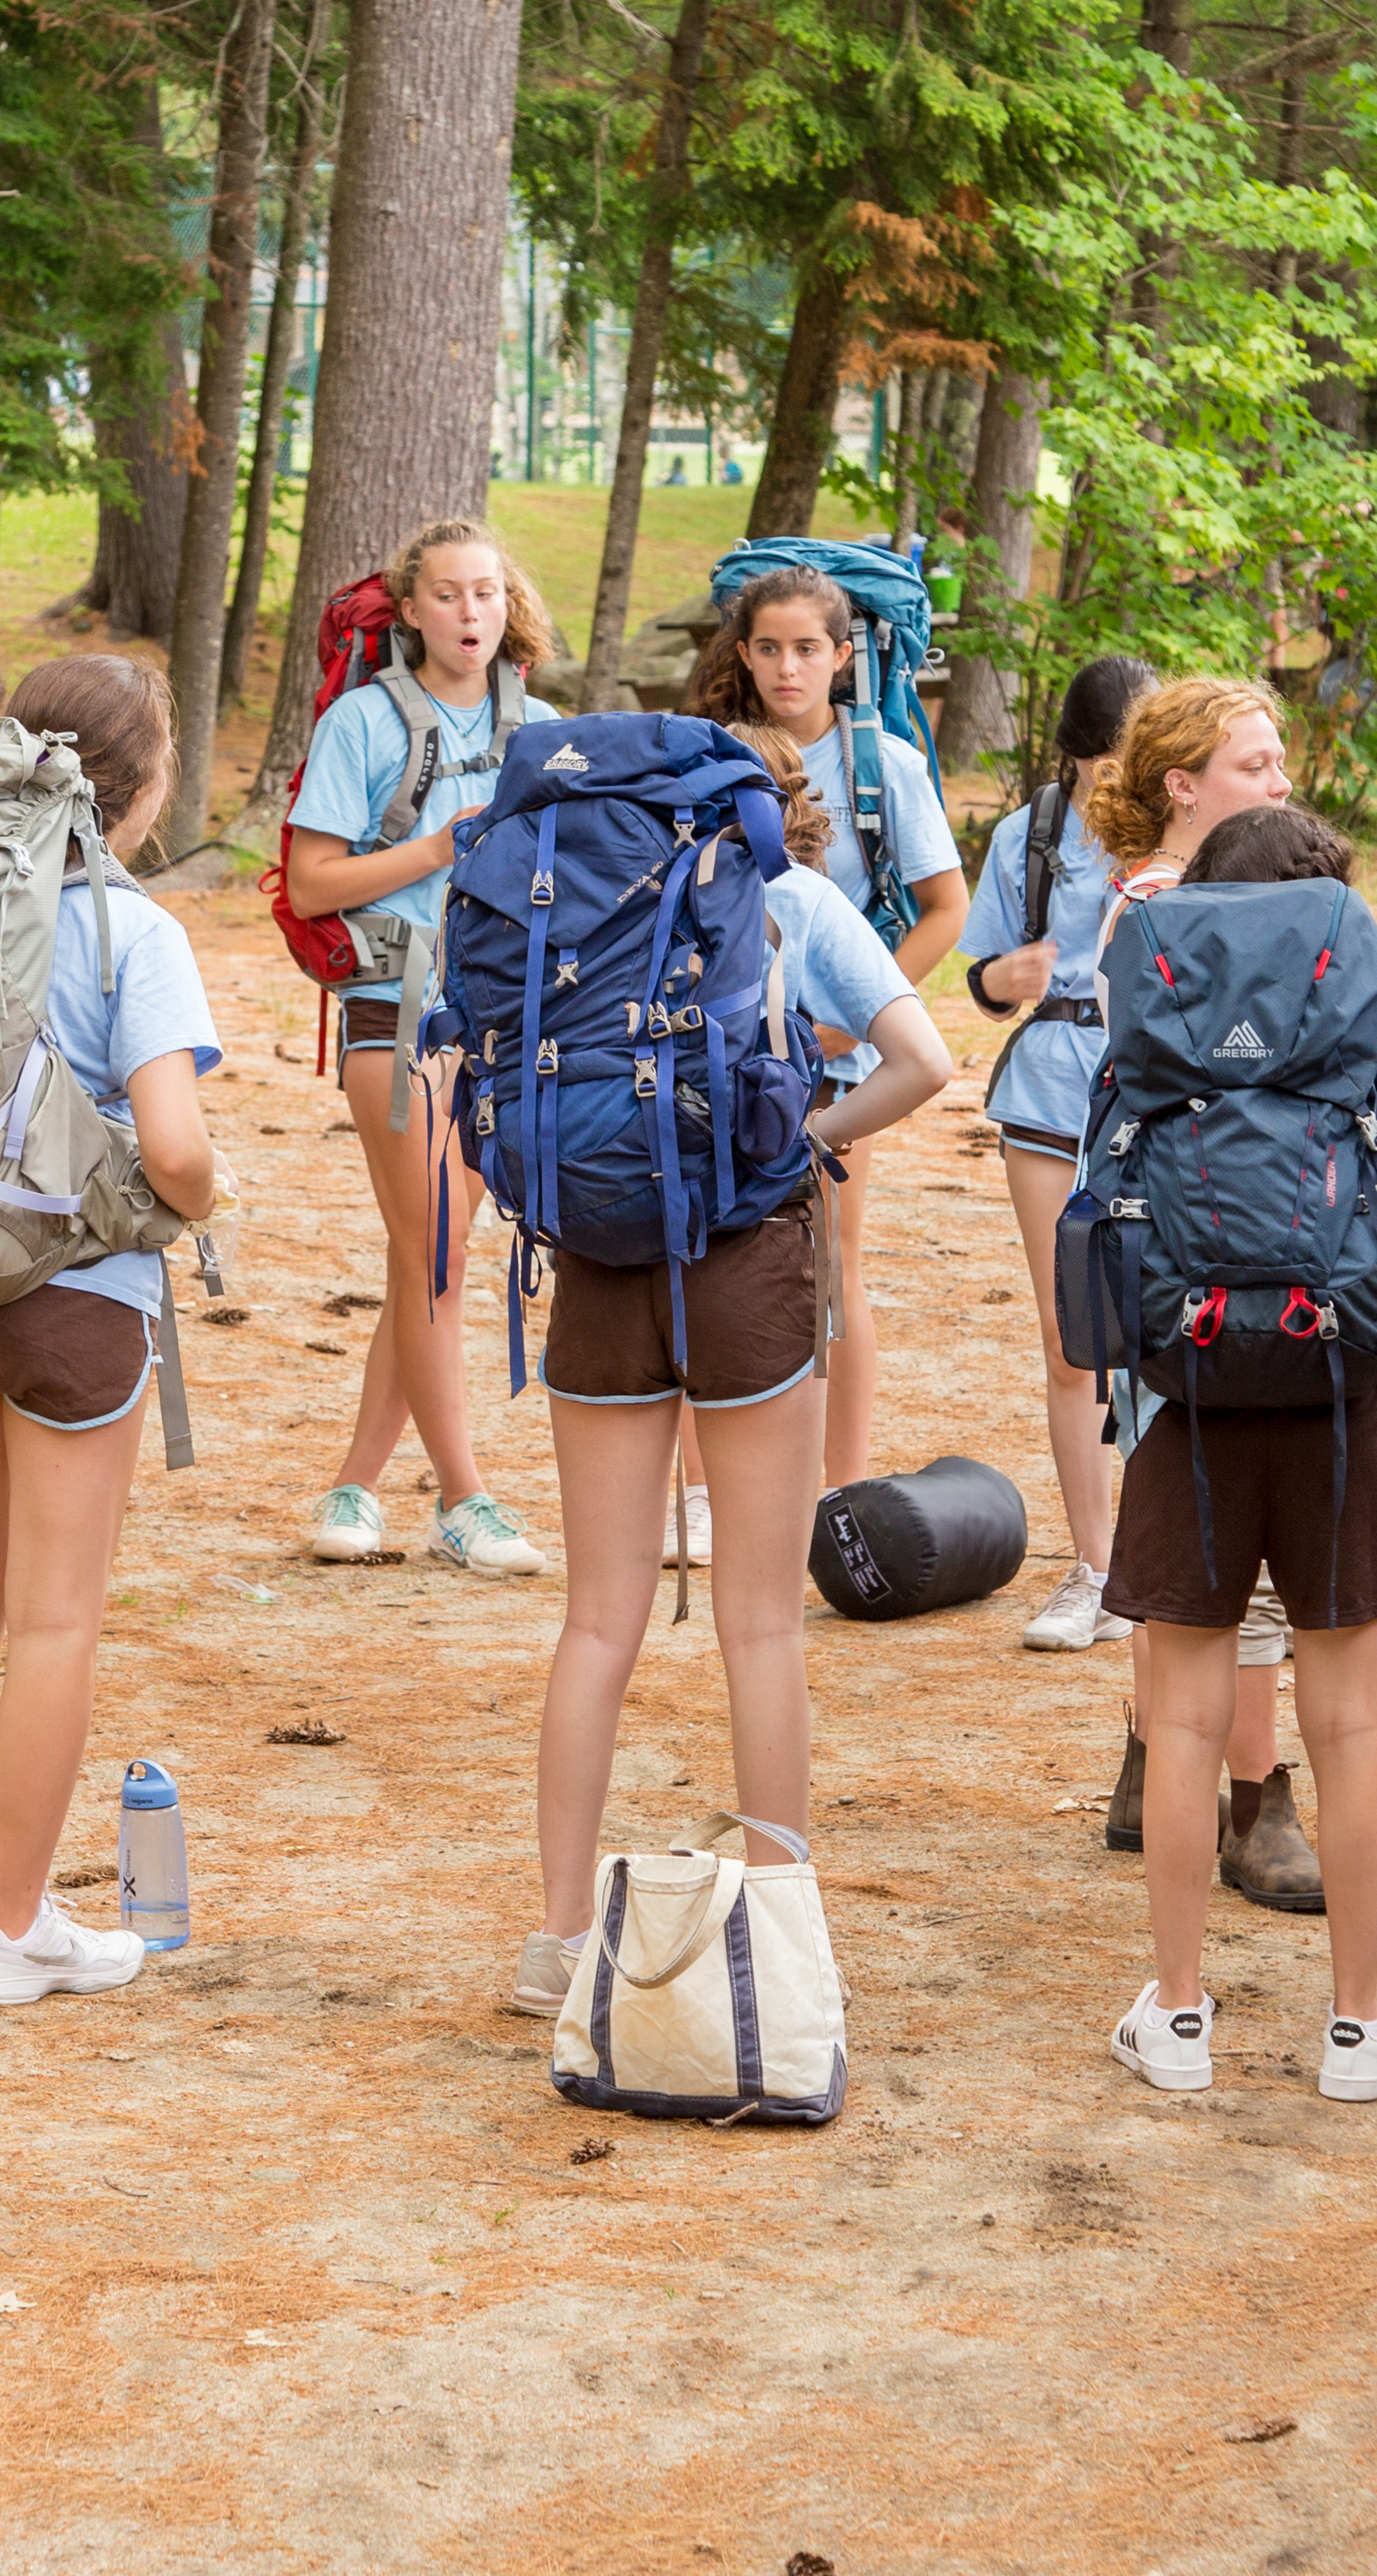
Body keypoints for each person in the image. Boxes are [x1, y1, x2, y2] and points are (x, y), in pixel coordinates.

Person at [501, 727, 950, 2024]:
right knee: (759, 1624)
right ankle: (780, 1916)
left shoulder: (562, 898)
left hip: (594, 1254)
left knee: (596, 1620)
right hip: (747, 1254)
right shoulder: (795, 901)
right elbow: (927, 1061)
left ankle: (555, 1937)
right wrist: (807, 1135)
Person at [1104, 805, 1377, 2106]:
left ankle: (1179, 2019)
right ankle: (1356, 2028)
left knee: (1185, 1722)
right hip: (1337, 1394)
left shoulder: (1151, 1030)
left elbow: (1108, 1218)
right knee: (1347, 1722)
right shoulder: (1362, 1030)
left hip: (1184, 1404)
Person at [0, 655, 229, 2003]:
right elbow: (174, 1146)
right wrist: (209, 1198)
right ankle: (16, 1931)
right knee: (51, 1623)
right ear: (139, 790)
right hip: (79, 1296)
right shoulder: (127, 930)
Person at [1078, 677, 1332, 1908]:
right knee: (1241, 1553)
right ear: (1181, 788)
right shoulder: (1162, 913)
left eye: (1279, 763)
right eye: (1251, 765)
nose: (1277, 783)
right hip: (1214, 1257)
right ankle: (1256, 1800)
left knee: (1179, 1520)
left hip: (1197, 1250)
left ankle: (1148, 1757)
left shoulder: (1216, 905)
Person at [281, 518, 555, 1576]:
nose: (470, 613)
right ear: (410, 611)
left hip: (507, 1019)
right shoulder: (363, 723)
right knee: (435, 1252)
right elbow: (311, 883)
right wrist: (440, 847)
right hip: (394, 1014)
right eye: (447, 595)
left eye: (485, 592)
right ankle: (464, 1495)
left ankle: (356, 1483)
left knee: (422, 1264)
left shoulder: (545, 725)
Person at [689, 564, 968, 1487]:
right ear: (743, 651)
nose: (786, 666)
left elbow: (943, 908)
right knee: (701, 1254)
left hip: (832, 1055)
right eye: (767, 646)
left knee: (832, 1259)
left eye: (808, 647)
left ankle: (841, 1490)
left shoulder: (881, 762)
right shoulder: (708, 747)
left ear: (844, 655)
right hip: (718, 1045)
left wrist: (861, 1018)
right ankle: (702, 1488)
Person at [960, 655, 1159, 1653]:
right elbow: (984, 976)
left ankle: (1176, 1555)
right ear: (1074, 760)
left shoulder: (1187, 829)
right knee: (1069, 1331)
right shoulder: (1028, 835)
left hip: (1160, 1084)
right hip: (1048, 1085)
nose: (1113, 787)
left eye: (1135, 765)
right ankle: (1096, 1567)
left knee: (1169, 1318)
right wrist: (1005, 974)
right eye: (1099, 768)